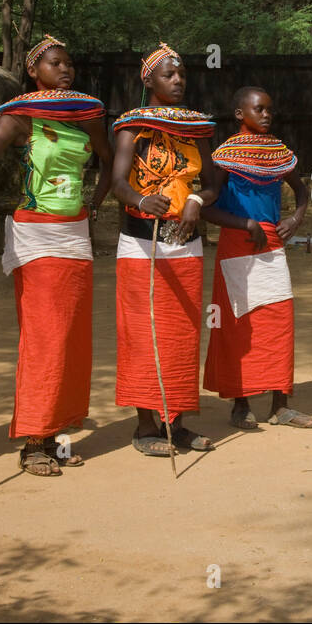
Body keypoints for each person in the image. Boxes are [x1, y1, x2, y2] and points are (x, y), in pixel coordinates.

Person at [0, 34, 110, 476]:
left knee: (72, 339)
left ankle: (56, 436)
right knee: (45, 337)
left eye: (68, 63)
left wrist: (96, 204)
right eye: (54, 64)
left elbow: (108, 161)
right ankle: (33, 441)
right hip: (38, 237)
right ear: (34, 71)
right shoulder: (20, 117)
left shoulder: (87, 116)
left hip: (75, 236)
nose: (64, 70)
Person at [111, 43, 220, 456]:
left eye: (182, 76)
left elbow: (212, 184)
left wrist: (195, 201)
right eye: (168, 76)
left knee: (180, 334)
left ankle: (175, 422)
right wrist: (141, 201)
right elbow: (117, 181)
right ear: (149, 81)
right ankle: (144, 427)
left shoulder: (197, 129)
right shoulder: (130, 127)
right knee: (142, 333)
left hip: (186, 243)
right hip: (141, 242)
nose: (177, 82)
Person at [202, 86, 312, 429]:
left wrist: (295, 219)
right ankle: (241, 404)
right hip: (237, 245)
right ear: (240, 114)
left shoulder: (279, 153)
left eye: (270, 109)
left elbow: (301, 190)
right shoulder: (224, 155)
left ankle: (280, 404)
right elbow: (206, 207)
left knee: (278, 322)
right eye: (259, 109)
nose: (267, 115)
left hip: (271, 245)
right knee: (239, 326)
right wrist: (244, 223)